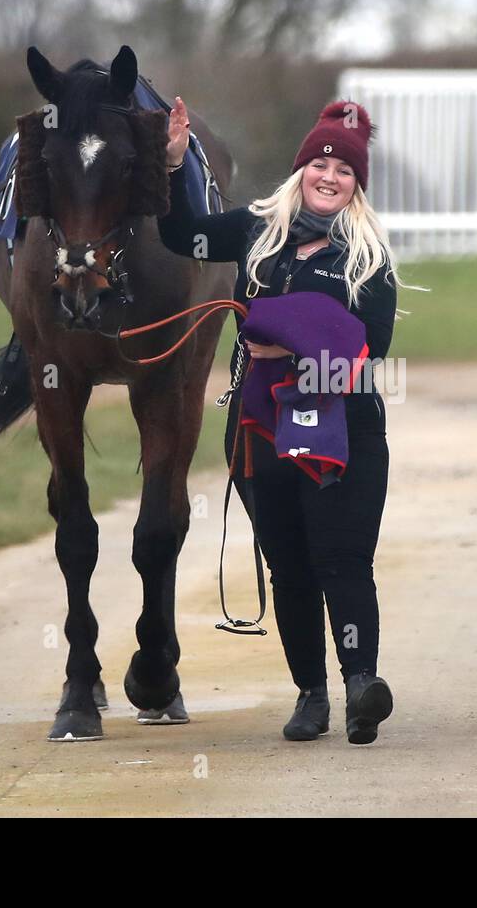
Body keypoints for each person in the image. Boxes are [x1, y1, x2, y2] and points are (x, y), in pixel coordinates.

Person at [157, 97, 409, 745]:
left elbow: (369, 345)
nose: (331, 175)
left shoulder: (368, 257)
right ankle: (310, 695)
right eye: (321, 162)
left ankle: (361, 685)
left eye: (345, 170)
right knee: (290, 568)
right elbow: (181, 233)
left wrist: (284, 335)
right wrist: (176, 164)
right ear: (302, 169)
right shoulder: (254, 230)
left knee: (343, 561)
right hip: (260, 426)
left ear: (357, 186)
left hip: (345, 428)